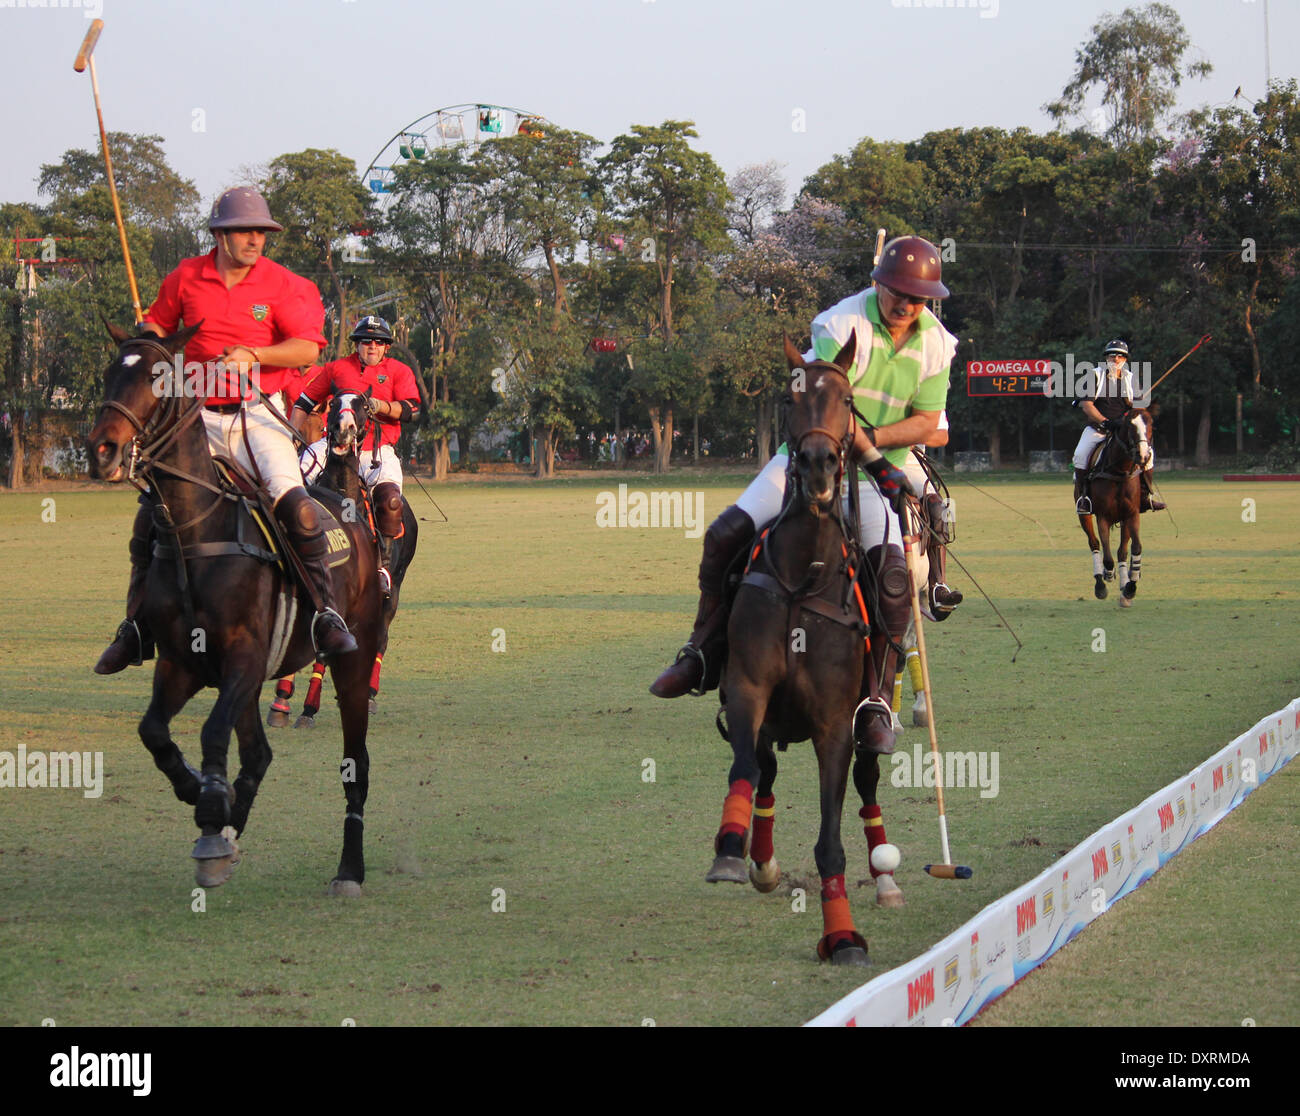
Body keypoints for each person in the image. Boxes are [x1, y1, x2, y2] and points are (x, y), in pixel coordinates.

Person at [650, 235, 958, 755]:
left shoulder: (937, 345)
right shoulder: (840, 323)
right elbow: (819, 400)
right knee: (725, 534)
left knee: (894, 576)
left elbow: (929, 422)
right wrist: (844, 441)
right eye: (897, 292)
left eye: (917, 297)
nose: (906, 304)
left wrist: (871, 447)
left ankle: (877, 702)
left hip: (874, 474)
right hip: (807, 461)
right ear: (879, 283)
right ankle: (701, 652)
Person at [94, 186, 357, 674]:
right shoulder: (186, 277)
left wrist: (254, 355)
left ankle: (324, 614)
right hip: (194, 416)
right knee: (153, 511)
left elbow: (306, 350)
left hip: (257, 412)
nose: (254, 239)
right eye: (243, 231)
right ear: (219, 234)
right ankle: (134, 627)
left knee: (296, 507)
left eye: (260, 231)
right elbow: (158, 328)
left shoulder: (285, 284)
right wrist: (146, 335)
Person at [291, 315, 420, 595]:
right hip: (331, 446)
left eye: (378, 341)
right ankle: (291, 551)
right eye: (365, 341)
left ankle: (383, 566)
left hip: (377, 449)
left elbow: (412, 410)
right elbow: (303, 403)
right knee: (292, 486)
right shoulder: (336, 369)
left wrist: (381, 406)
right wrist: (293, 435)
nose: (371, 346)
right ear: (357, 345)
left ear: (386, 347)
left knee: (390, 501)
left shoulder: (399, 371)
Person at [1071, 338, 1165, 515]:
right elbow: (1087, 405)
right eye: (1112, 355)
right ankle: (1084, 498)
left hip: (1123, 432)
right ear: (1106, 358)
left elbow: (1138, 408)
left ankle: (1145, 497)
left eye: (1120, 357)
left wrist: (1137, 406)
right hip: (1098, 430)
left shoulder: (1130, 379)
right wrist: (1105, 422)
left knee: (1148, 455)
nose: (1116, 359)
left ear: (1125, 360)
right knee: (1080, 455)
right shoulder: (1095, 375)